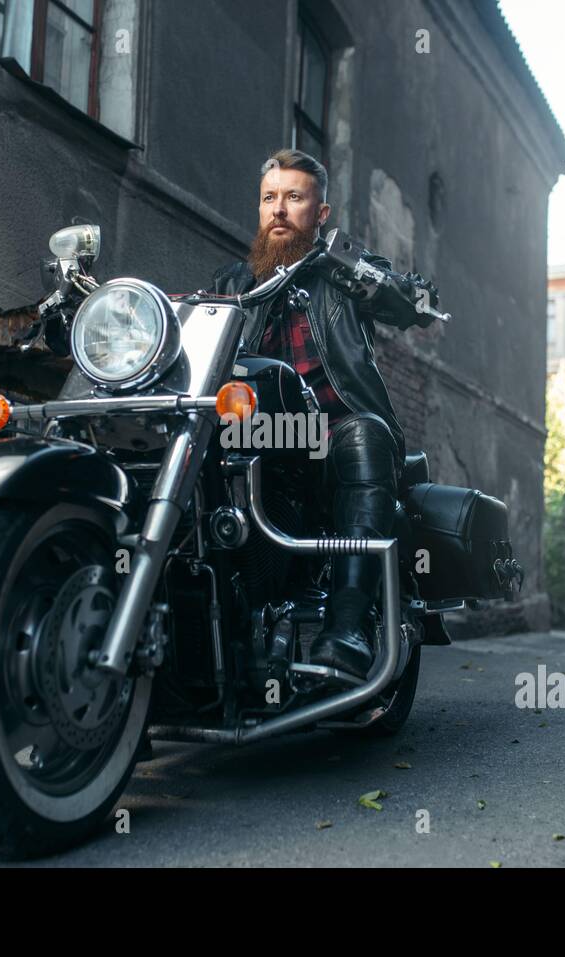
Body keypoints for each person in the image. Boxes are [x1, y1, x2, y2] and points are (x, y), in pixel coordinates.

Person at [209, 148, 438, 680]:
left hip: (332, 430)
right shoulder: (232, 282)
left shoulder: (344, 275)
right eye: (270, 198)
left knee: (364, 436)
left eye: (294, 197)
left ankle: (349, 625)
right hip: (262, 431)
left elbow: (414, 302)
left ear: (321, 212)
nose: (279, 210)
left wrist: (367, 277)